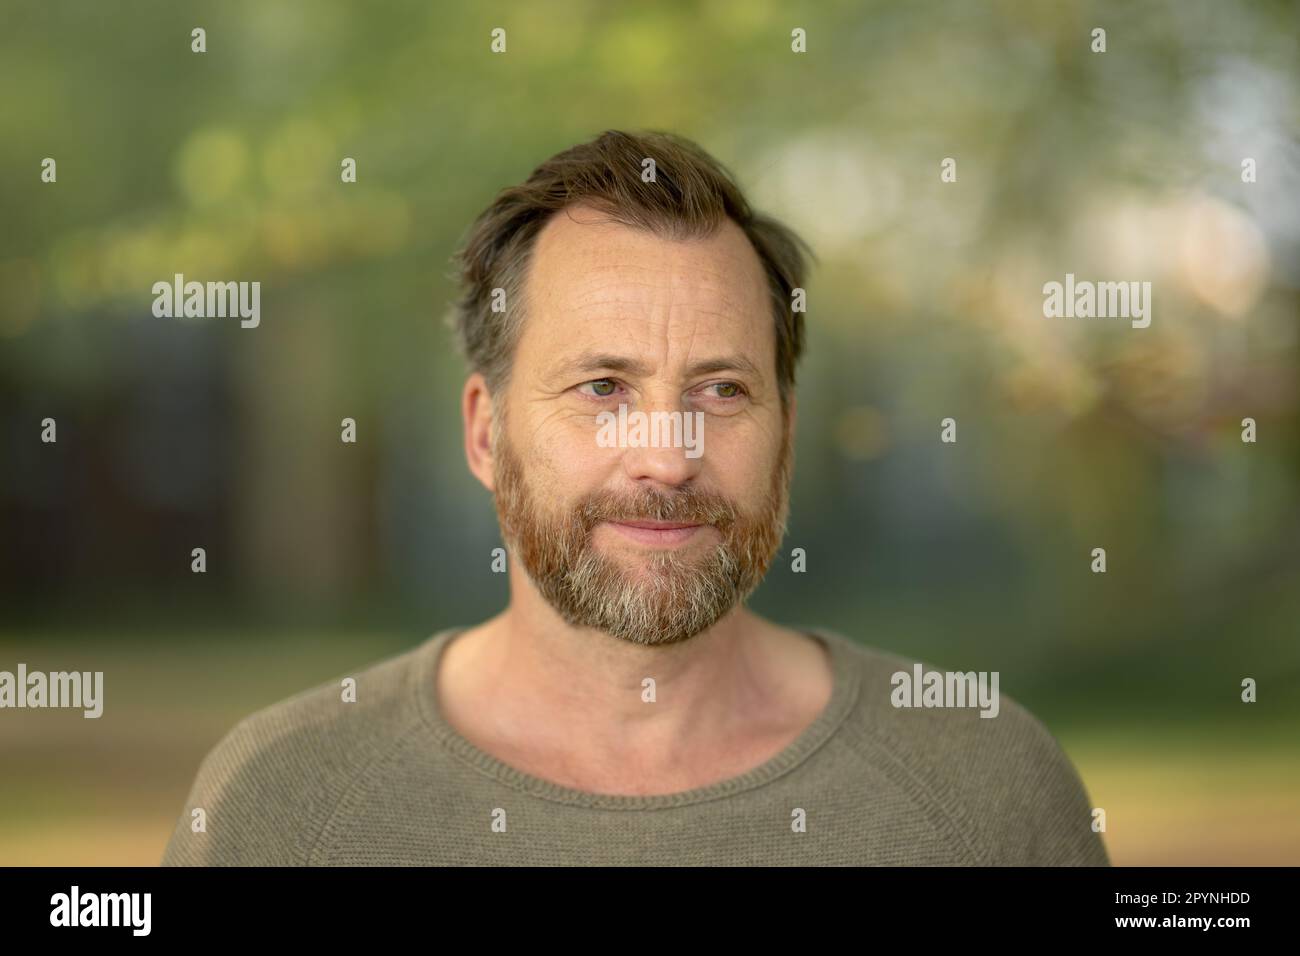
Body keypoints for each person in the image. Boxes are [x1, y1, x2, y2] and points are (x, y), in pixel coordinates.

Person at [162, 130, 1109, 866]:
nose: (667, 459)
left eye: (721, 390)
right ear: (486, 434)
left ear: (785, 430)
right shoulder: (283, 806)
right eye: (603, 388)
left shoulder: (984, 789)